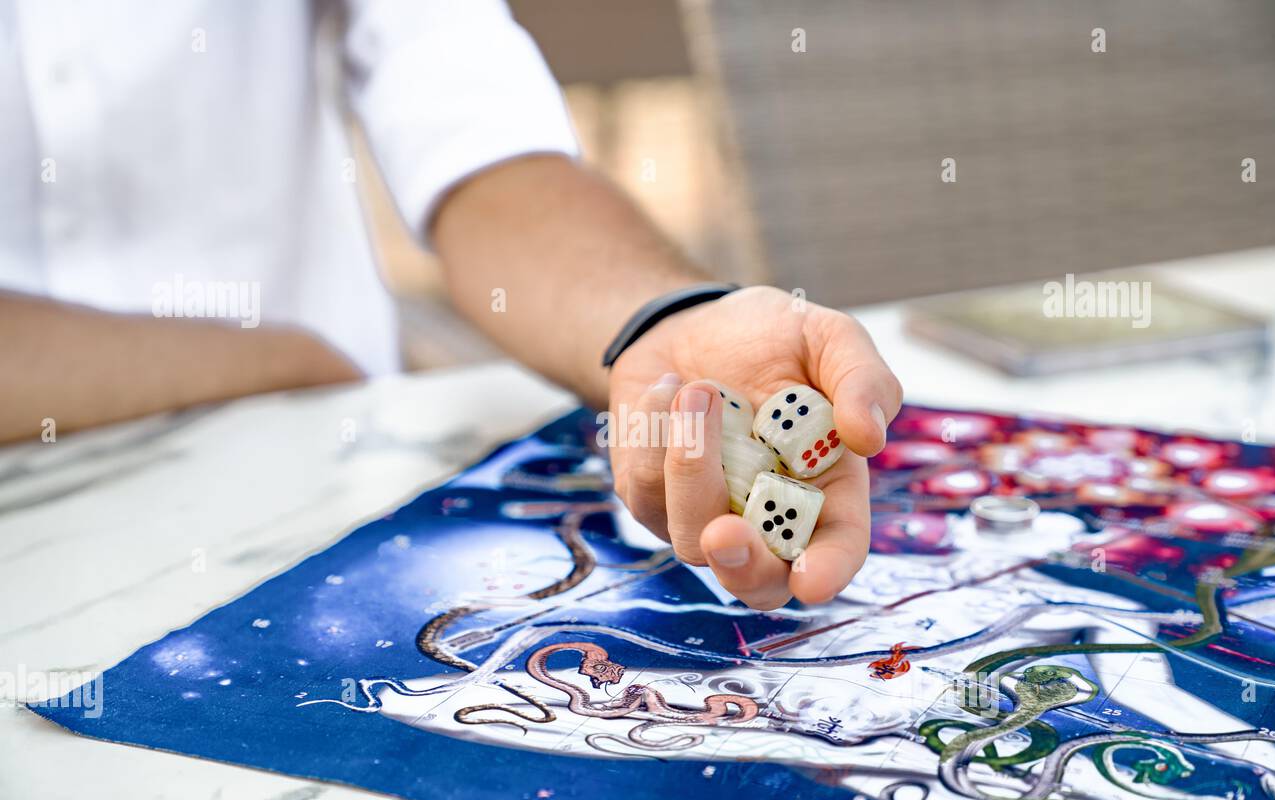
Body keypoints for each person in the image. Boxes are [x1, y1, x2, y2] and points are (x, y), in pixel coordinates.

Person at [0, 0, 901, 609]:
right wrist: (277, 361)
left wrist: (662, 321)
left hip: (324, 505)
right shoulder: (296, 366)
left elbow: (477, 134)